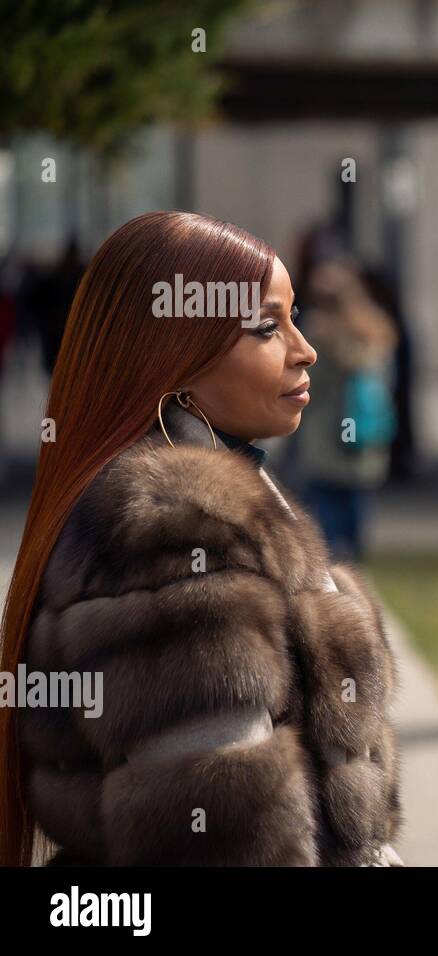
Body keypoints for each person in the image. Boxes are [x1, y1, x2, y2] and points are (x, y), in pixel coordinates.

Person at [0, 211, 403, 866]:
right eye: (267, 327)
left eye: (295, 316)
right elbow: (226, 833)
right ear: (176, 358)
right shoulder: (178, 529)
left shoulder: (229, 491)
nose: (305, 349)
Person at [293, 258, 399, 563]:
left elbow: (311, 385)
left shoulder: (317, 334)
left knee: (323, 514)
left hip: (325, 437)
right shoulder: (375, 329)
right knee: (355, 509)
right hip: (365, 434)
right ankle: (354, 565)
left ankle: (330, 569)